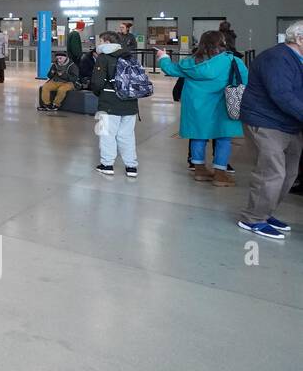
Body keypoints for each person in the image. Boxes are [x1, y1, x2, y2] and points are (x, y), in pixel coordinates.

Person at [237, 21, 303, 238]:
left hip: (290, 124)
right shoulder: (277, 58)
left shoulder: (298, 60)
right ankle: (253, 218)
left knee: (290, 173)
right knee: (272, 172)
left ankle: (265, 212)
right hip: (265, 122)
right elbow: (282, 95)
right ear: (299, 39)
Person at [157, 31, 245, 187]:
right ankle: (220, 174)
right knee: (224, 138)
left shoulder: (191, 63)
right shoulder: (233, 61)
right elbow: (245, 80)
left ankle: (199, 170)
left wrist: (163, 58)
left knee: (198, 136)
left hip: (197, 107)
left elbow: (170, 69)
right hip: (223, 106)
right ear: (222, 43)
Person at [90, 31, 140, 178]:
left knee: (106, 134)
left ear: (106, 41)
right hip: (130, 102)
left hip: (108, 102)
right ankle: (131, 167)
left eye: (100, 40)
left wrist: (100, 93)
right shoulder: (130, 56)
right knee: (127, 135)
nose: (98, 43)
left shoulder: (103, 57)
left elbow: (97, 82)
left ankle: (107, 164)